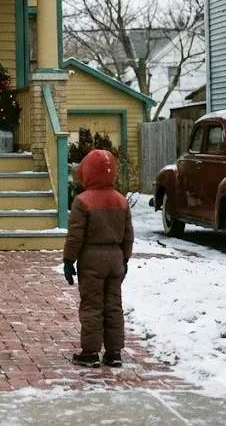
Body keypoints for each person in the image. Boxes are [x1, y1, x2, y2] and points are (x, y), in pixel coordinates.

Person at [62, 149, 134, 369]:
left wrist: (68, 260)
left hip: (92, 259)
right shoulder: (121, 201)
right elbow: (128, 234)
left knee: (92, 306)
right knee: (113, 306)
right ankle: (114, 353)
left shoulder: (82, 201)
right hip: (115, 258)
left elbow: (76, 235)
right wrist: (125, 259)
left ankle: (90, 352)